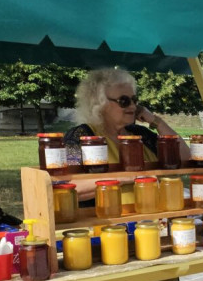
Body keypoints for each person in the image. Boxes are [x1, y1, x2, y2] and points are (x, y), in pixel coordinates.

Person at [66, 68, 190, 201]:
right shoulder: (82, 136)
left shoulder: (139, 134)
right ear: (100, 104)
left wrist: (156, 121)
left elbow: (184, 157)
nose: (133, 106)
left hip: (152, 220)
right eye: (124, 101)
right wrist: (125, 177)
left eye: (134, 100)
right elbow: (68, 188)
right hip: (108, 219)